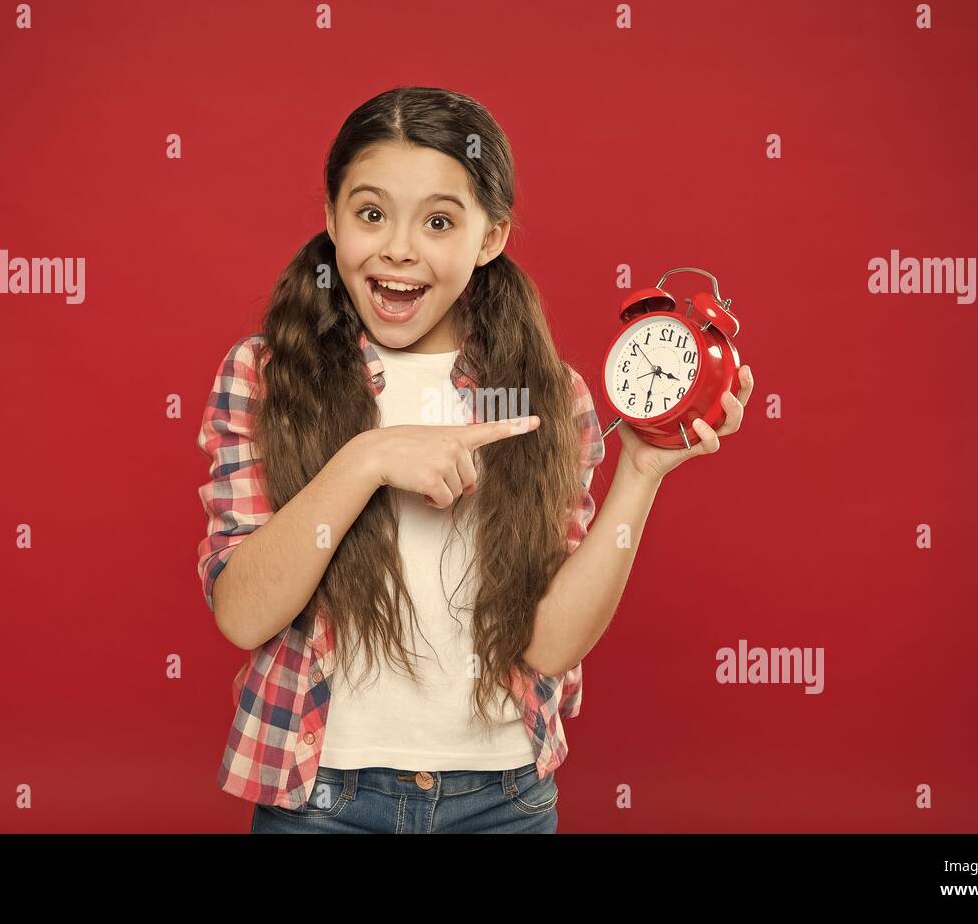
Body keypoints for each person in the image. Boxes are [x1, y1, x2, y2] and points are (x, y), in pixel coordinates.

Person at [195, 85, 754, 833]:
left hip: (502, 800)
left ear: (491, 237)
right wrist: (367, 459)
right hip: (320, 798)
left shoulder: (545, 397)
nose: (399, 248)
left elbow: (548, 646)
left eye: (438, 221)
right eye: (370, 214)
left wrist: (641, 472)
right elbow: (242, 613)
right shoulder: (265, 375)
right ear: (331, 218)